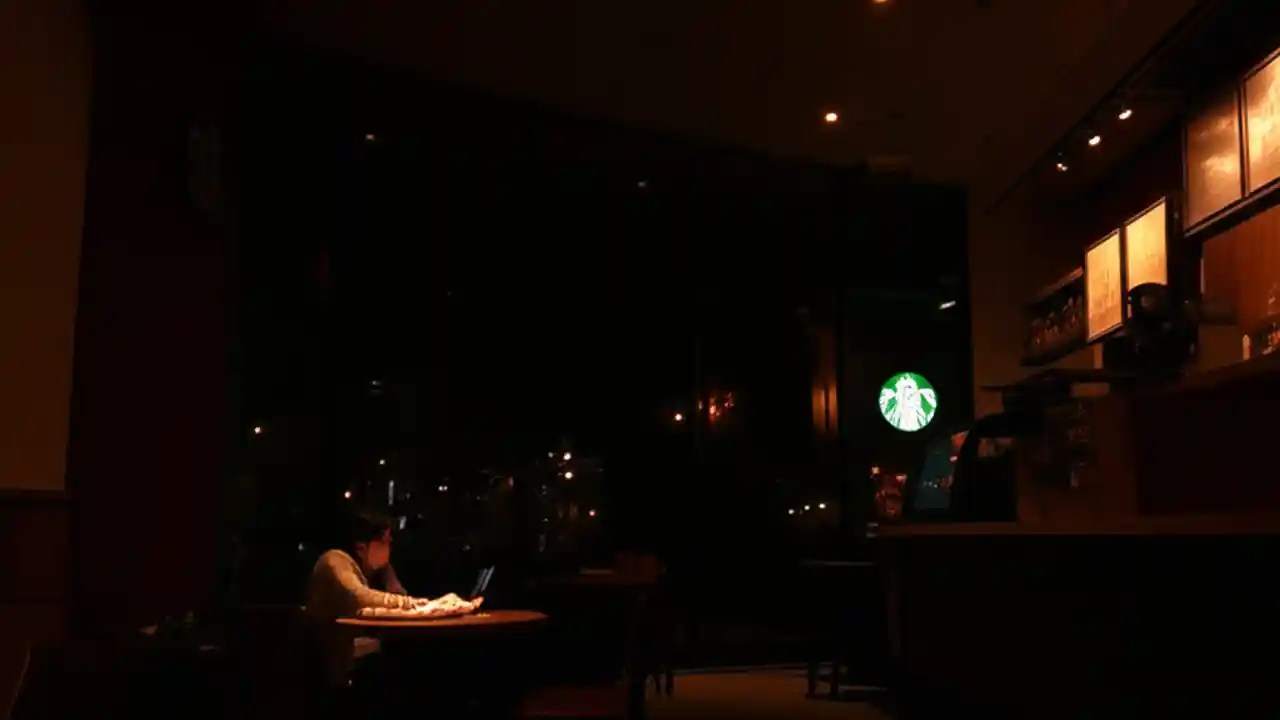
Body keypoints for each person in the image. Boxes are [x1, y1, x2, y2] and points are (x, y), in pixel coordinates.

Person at [306, 510, 481, 687]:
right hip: (326, 665)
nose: (390, 548)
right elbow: (360, 597)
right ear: (361, 548)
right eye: (385, 542)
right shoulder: (334, 560)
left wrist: (388, 573)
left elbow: (398, 596)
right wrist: (414, 603)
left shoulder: (375, 570)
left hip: (351, 659)